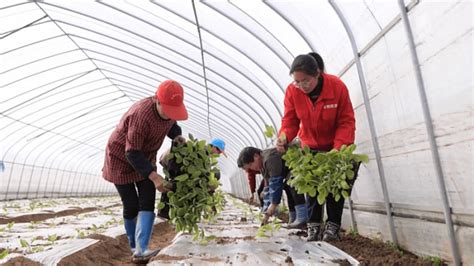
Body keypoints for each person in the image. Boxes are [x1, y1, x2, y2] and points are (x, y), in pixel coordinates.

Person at [102, 80, 188, 263]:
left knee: (147, 200)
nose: (170, 114)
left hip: (145, 156)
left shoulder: (169, 112)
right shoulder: (141, 115)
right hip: (121, 159)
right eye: (168, 110)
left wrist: (177, 135)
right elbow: (132, 152)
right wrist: (155, 176)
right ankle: (134, 247)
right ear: (157, 100)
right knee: (131, 204)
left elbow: (171, 125)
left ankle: (142, 250)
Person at [277, 53, 357, 242]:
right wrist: (284, 137)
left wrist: (338, 150)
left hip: (334, 146)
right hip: (310, 146)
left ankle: (332, 227)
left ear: (317, 74)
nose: (301, 86)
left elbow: (346, 121)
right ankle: (314, 227)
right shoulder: (293, 91)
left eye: (305, 81)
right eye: (297, 82)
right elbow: (290, 119)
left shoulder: (336, 87)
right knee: (312, 187)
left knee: (334, 189)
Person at [157, 138, 226, 220]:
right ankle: (164, 215)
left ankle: (167, 215)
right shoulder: (201, 152)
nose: (219, 154)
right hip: (170, 163)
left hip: (173, 164)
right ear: (214, 147)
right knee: (172, 188)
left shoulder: (204, 153)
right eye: (219, 152)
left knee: (174, 188)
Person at [237, 147, 305, 225]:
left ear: (256, 156)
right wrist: (267, 210)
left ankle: (302, 215)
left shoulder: (269, 158)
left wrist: (273, 205)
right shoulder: (262, 166)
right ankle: (293, 216)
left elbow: (275, 183)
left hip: (298, 167)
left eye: (251, 165)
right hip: (288, 173)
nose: (252, 168)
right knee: (287, 187)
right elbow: (268, 186)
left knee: (293, 184)